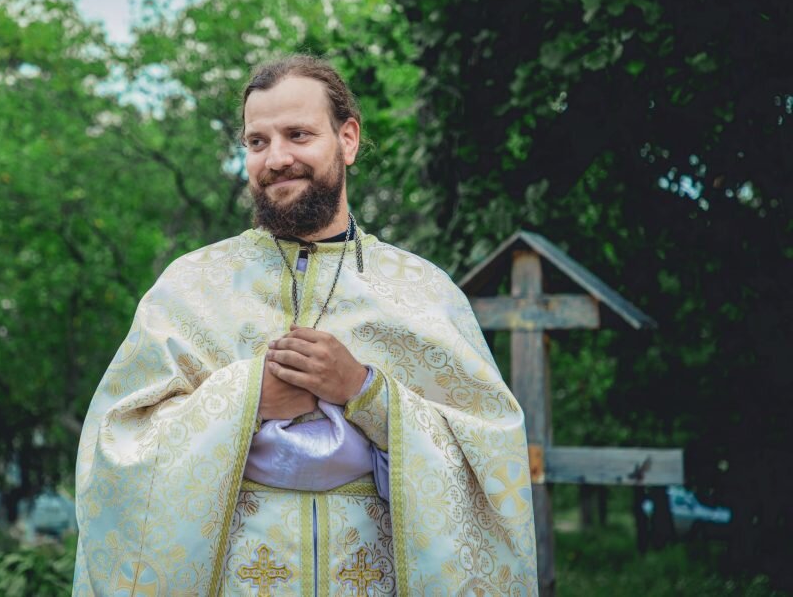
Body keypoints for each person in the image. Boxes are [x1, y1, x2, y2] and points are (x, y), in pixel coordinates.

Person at [73, 55, 537, 596]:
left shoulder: (423, 291)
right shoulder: (190, 288)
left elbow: (488, 452)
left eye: (298, 134)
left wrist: (364, 392)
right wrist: (249, 398)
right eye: (257, 142)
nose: (277, 158)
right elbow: (116, 446)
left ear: (348, 140)